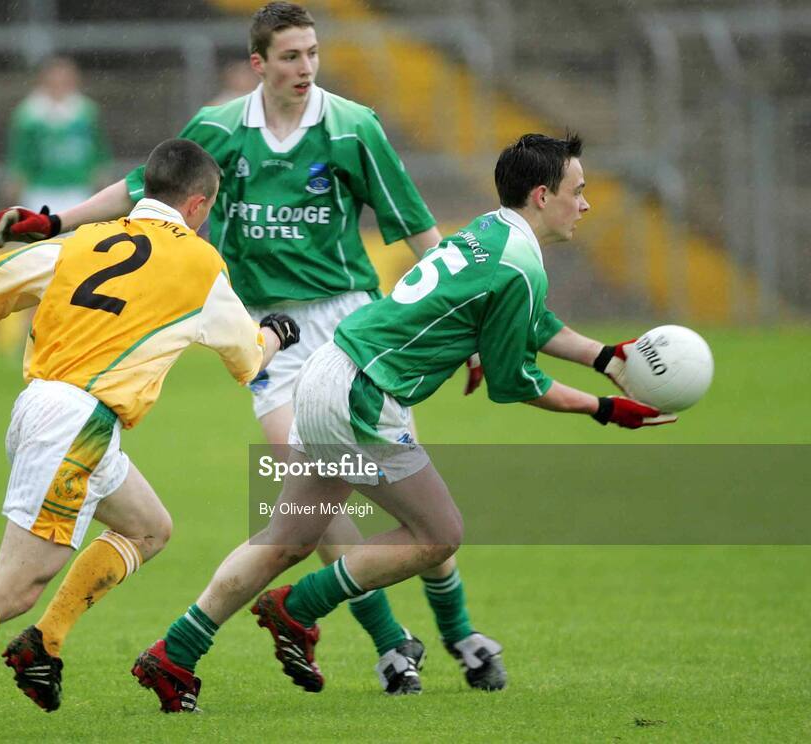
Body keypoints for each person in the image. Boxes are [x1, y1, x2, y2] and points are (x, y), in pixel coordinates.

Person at [0, 1, 493, 697]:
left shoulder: (353, 126)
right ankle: (387, 643)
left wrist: (456, 314)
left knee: (409, 497)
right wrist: (54, 220)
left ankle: (458, 631)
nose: (305, 68)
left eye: (313, 54)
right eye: (291, 56)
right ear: (259, 64)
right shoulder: (220, 128)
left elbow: (416, 226)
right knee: (309, 489)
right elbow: (142, 188)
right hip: (269, 334)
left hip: (352, 326)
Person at [130, 132, 677, 712]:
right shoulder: (521, 266)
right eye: (579, 191)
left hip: (326, 374)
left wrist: (604, 358)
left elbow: (531, 320)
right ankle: (299, 608)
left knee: (285, 540)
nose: (586, 204)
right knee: (439, 533)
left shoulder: (489, 231)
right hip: (363, 397)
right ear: (543, 195)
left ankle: (175, 652)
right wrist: (605, 409)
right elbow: (515, 380)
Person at [0, 139, 299, 740]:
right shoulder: (201, 264)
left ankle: (43, 646)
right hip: (77, 423)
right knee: (15, 584)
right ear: (199, 205)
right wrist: (277, 331)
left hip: (45, 410)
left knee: (148, 527)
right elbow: (251, 362)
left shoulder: (87, 239)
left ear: (146, 189)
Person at [4, 56, 112, 214]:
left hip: (78, 187)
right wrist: (17, 180)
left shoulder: (86, 111)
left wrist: (101, 175)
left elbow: (98, 148)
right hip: (41, 188)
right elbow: (21, 154)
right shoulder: (29, 114)